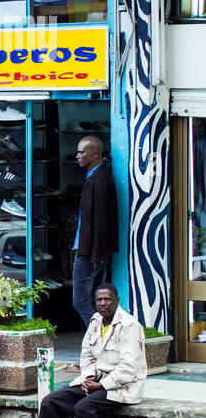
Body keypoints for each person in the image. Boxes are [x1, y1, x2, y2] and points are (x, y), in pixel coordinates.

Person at [26, 284, 146, 418]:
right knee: (50, 402)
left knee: (83, 408)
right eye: (99, 300)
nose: (102, 304)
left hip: (121, 386)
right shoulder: (95, 321)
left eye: (107, 299)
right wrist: (89, 378)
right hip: (94, 381)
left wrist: (101, 385)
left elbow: (128, 369)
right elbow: (86, 356)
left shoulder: (129, 326)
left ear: (117, 300)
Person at [72, 136, 118, 326]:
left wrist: (95, 255)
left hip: (89, 252)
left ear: (95, 154)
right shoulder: (97, 176)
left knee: (81, 300)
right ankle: (102, 337)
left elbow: (100, 221)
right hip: (93, 251)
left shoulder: (98, 180)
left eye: (82, 152)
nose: (77, 156)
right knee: (95, 300)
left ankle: (99, 336)